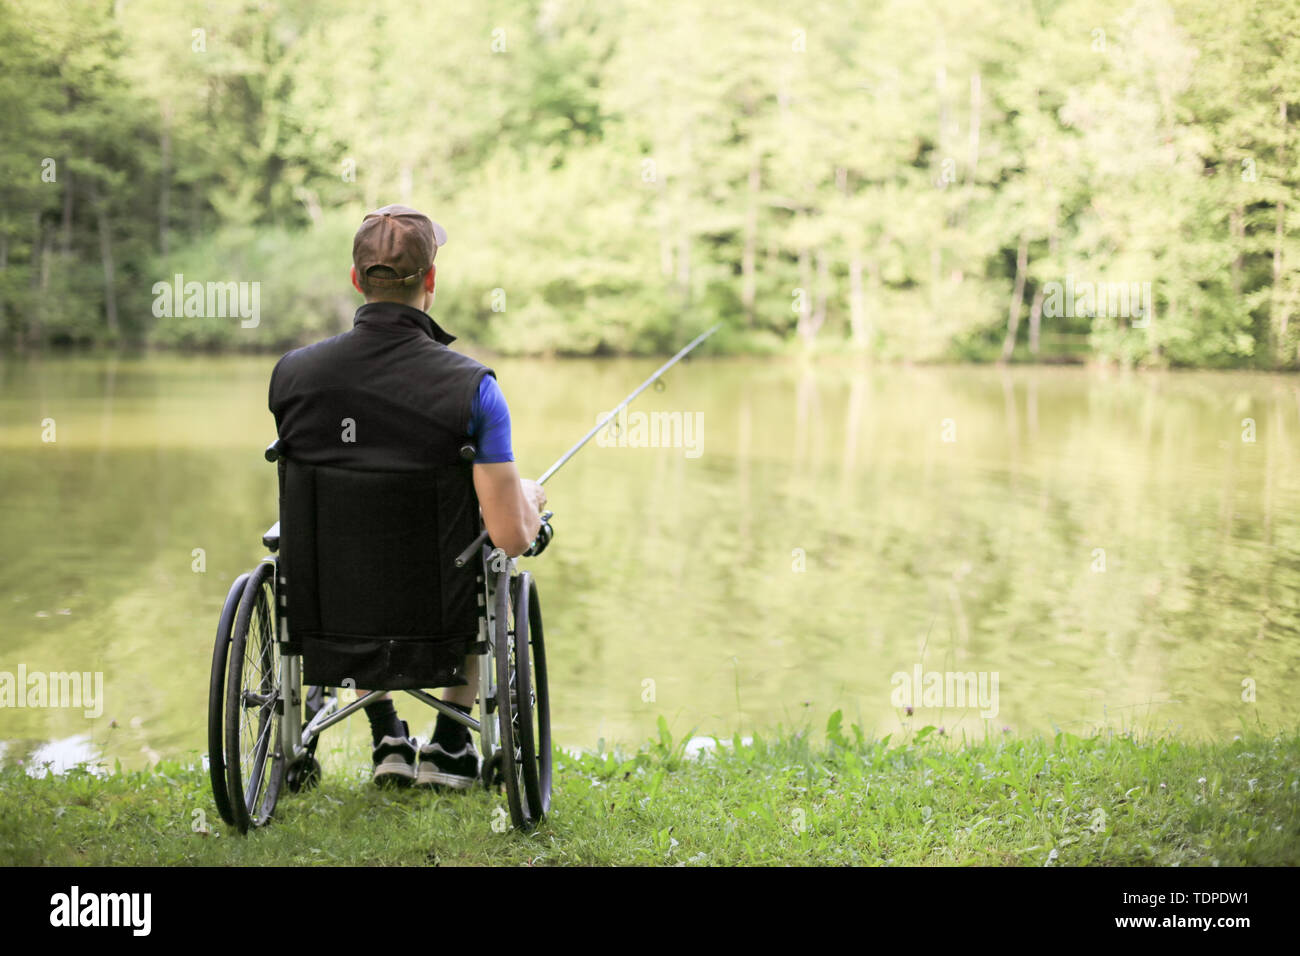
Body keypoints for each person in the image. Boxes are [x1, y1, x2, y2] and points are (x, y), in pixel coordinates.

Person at [268, 204, 546, 789]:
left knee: (354, 550)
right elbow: (511, 537)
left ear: (356, 280)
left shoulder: (292, 376)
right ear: (431, 281)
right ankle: (449, 743)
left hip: (326, 612)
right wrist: (530, 497)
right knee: (485, 558)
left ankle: (387, 734)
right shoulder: (473, 389)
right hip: (439, 616)